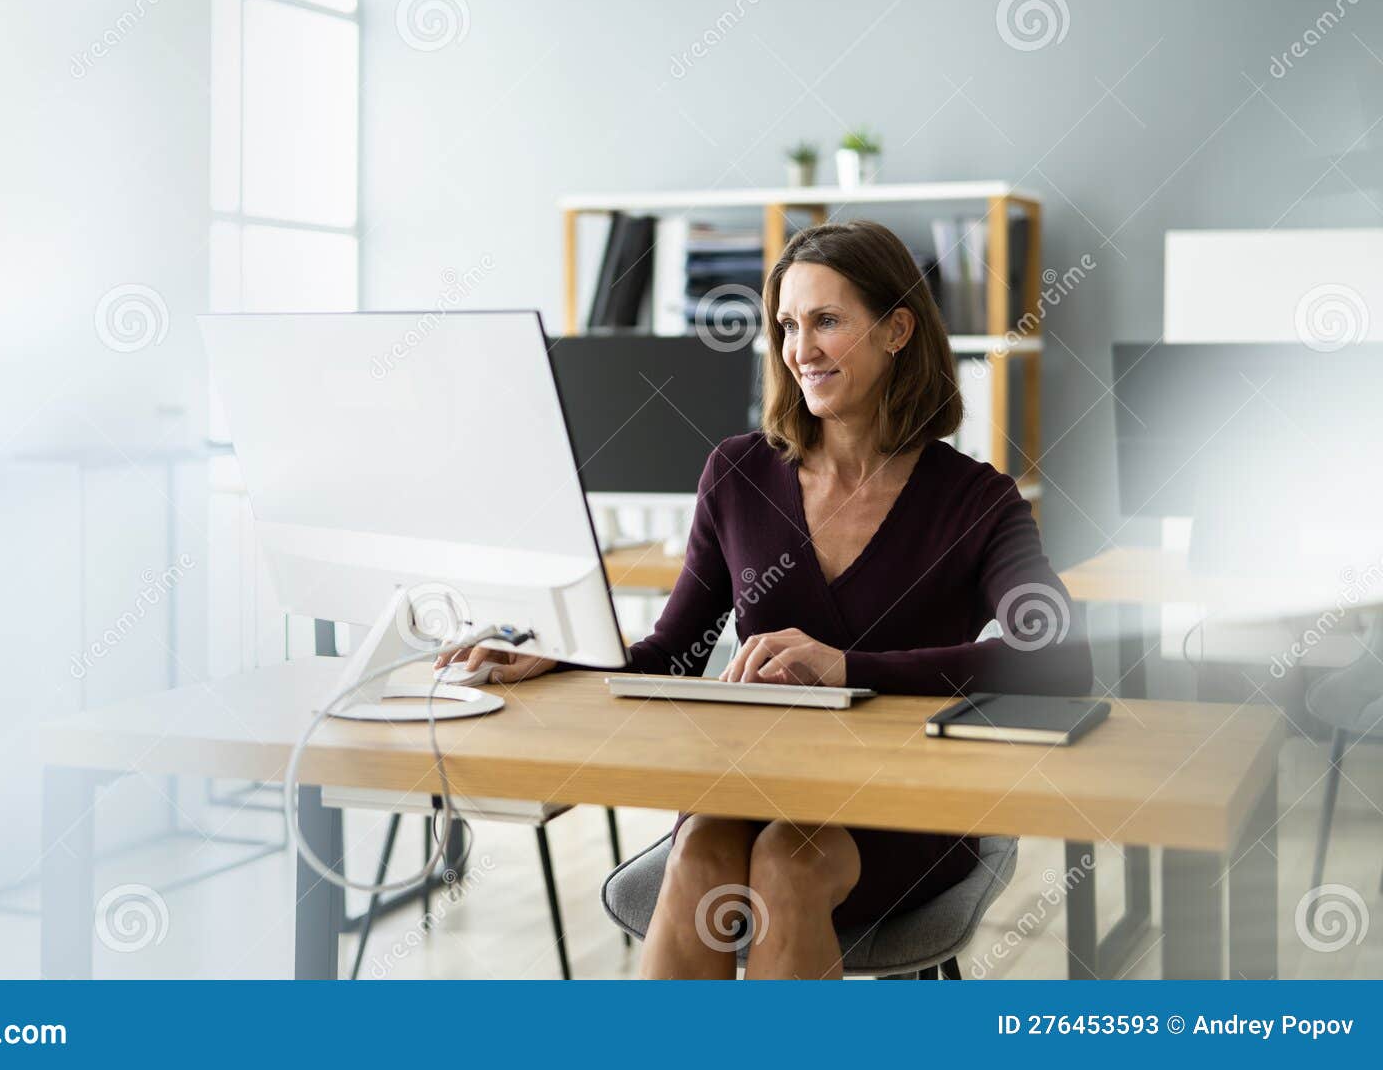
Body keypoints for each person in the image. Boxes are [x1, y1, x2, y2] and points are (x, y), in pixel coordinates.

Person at [436, 221, 1092, 979]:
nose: (799, 349)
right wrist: (563, 653)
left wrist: (848, 667)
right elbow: (675, 654)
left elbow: (1057, 656)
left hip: (903, 806)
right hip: (753, 779)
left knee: (789, 860)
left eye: (827, 321)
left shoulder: (977, 499)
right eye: (786, 325)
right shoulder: (738, 473)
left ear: (898, 330)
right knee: (706, 847)